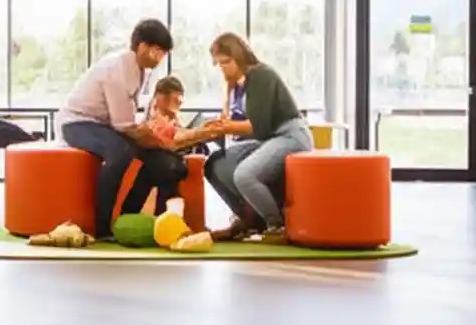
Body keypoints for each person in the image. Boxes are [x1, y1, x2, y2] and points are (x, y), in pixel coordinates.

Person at [57, 19, 174, 239]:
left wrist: (159, 143)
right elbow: (123, 125)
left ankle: (131, 217)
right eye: (157, 50)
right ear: (141, 46)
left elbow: (126, 120)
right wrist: (154, 138)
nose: (160, 58)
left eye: (163, 53)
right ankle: (101, 227)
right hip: (76, 122)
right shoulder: (117, 69)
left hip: (102, 124)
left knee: (164, 161)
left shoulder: (139, 71)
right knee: (121, 151)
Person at [202, 32, 312, 242]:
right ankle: (248, 219)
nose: (222, 68)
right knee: (215, 164)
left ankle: (276, 224)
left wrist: (224, 127)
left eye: (226, 62)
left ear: (239, 57)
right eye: (218, 64)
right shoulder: (240, 84)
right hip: (269, 138)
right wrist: (223, 124)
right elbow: (242, 124)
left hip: (290, 136)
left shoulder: (262, 75)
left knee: (244, 175)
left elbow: (258, 126)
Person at [119, 75, 221, 218]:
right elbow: (173, 139)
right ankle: (160, 218)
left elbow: (176, 138)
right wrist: (205, 132)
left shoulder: (170, 117)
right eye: (176, 99)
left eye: (180, 99)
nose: (179, 103)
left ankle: (155, 218)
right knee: (172, 168)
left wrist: (204, 132)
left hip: (161, 158)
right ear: (162, 98)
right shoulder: (154, 117)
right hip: (150, 153)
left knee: (166, 171)